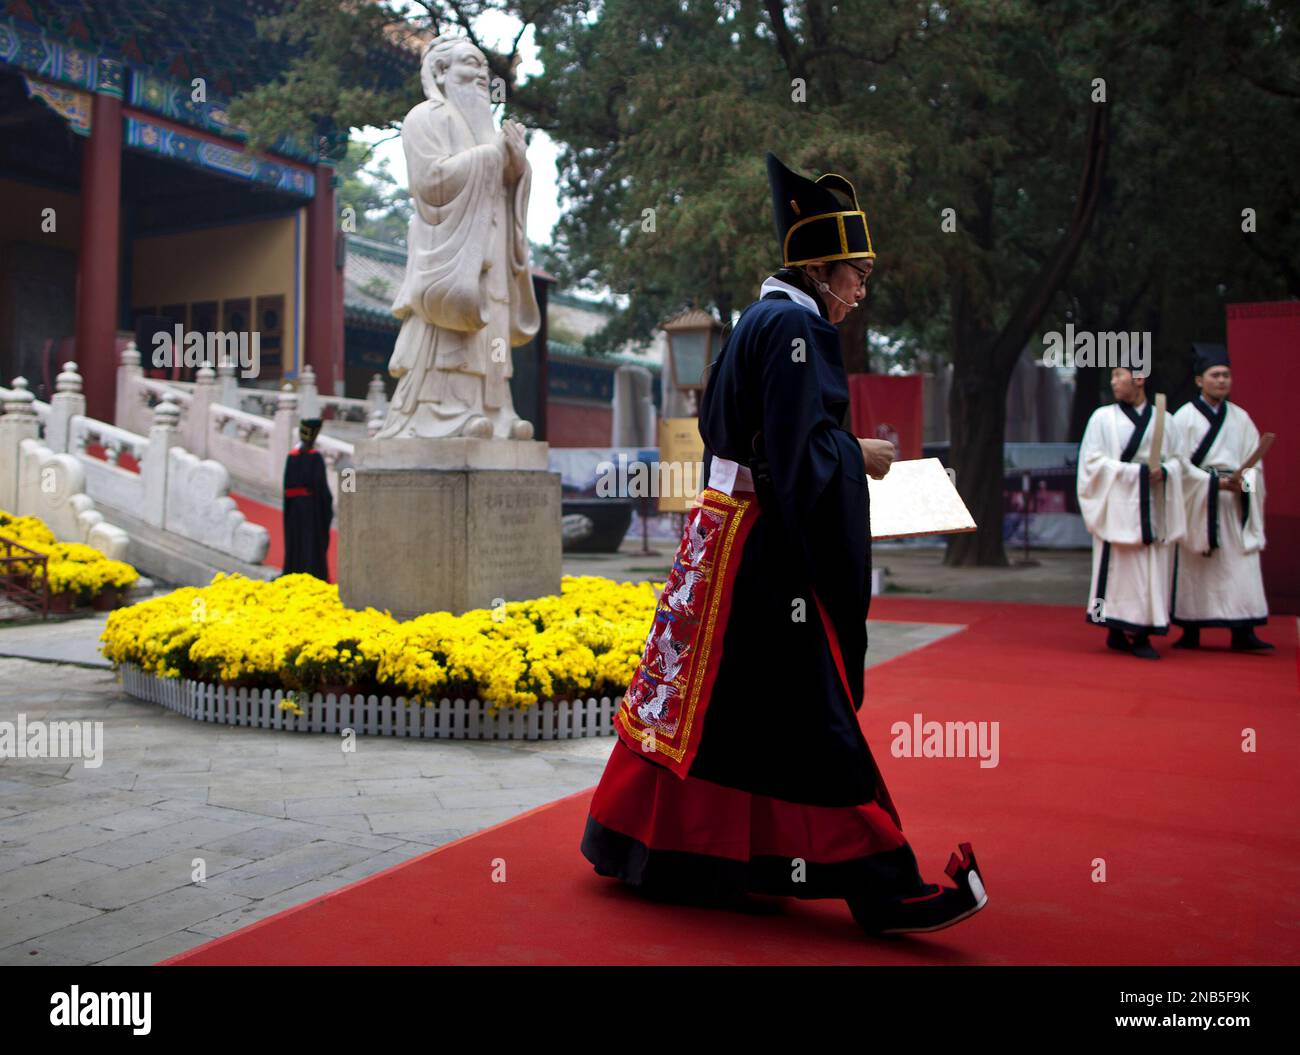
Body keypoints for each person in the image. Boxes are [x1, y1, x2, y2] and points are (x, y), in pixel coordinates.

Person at [580, 152, 988, 936]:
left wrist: (829, 442)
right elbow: (795, 462)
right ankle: (883, 883)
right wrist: (854, 457)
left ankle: (664, 852)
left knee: (721, 711)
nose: (861, 292)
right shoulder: (799, 325)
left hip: (723, 539)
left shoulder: (754, 321)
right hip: (766, 556)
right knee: (813, 713)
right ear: (818, 267)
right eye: (857, 276)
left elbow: (745, 438)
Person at [374, 35, 539, 441]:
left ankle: (496, 410)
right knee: (452, 333)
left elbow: (507, 186)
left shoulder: (487, 130)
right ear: (441, 72)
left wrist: (518, 169)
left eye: (485, 66)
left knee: (493, 327)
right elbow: (430, 183)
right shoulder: (426, 118)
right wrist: (490, 158)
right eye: (471, 63)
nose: (482, 73)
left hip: (493, 250)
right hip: (453, 250)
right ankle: (440, 412)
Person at [1077, 367, 1187, 659]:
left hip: (1150, 507)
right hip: (1116, 507)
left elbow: (1179, 461)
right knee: (1114, 570)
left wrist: (1163, 471)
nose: (1113, 382)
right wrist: (1133, 472)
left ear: (1139, 379)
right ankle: (1114, 627)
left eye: (1118, 375)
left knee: (1147, 569)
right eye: (1112, 377)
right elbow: (1091, 463)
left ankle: (1140, 632)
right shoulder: (1102, 419)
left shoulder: (1166, 421)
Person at [1171, 345, 1272, 651]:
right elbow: (1177, 464)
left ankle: (1244, 629)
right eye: (1215, 375)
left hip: (1233, 505)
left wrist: (1244, 483)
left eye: (1226, 375)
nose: (1222, 381)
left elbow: (1256, 463)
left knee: (1240, 564)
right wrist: (1213, 483)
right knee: (1195, 565)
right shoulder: (1184, 418)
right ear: (1199, 381)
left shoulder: (1241, 419)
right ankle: (1190, 629)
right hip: (1200, 501)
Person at [282, 418, 332, 581]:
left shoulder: (292, 457)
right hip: (312, 511)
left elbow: (287, 490)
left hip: (295, 510)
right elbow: (322, 490)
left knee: (296, 543)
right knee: (312, 546)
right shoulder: (315, 458)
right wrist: (327, 508)